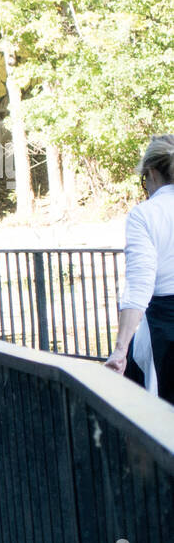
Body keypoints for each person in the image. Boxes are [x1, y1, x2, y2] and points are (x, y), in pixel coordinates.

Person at [105, 135, 174, 404]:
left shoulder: (145, 214)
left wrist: (120, 351)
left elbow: (140, 284)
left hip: (166, 330)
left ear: (152, 172)